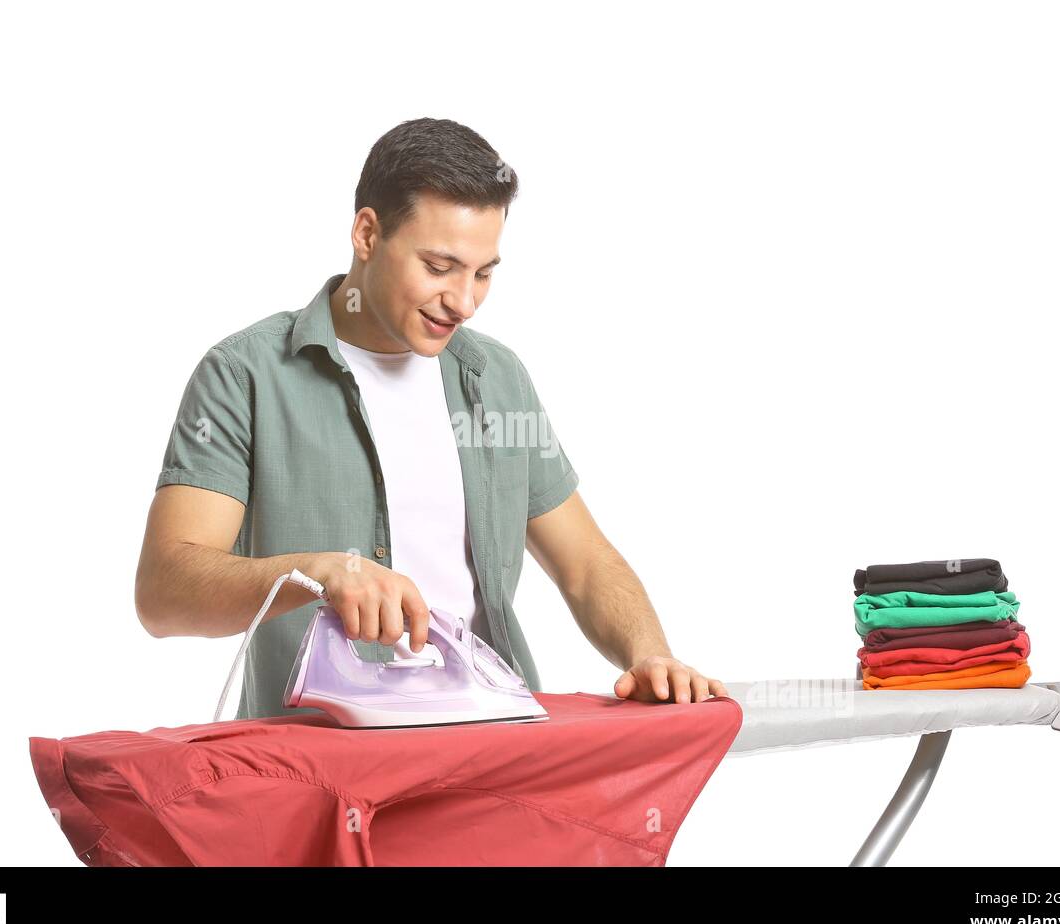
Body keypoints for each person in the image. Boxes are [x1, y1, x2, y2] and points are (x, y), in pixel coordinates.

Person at [135, 117, 728, 719]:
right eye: (440, 267)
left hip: (495, 755)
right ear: (368, 233)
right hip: (322, 777)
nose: (465, 301)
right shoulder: (245, 376)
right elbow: (164, 593)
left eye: (485, 272)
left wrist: (649, 654)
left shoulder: (497, 381)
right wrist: (315, 573)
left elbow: (584, 565)